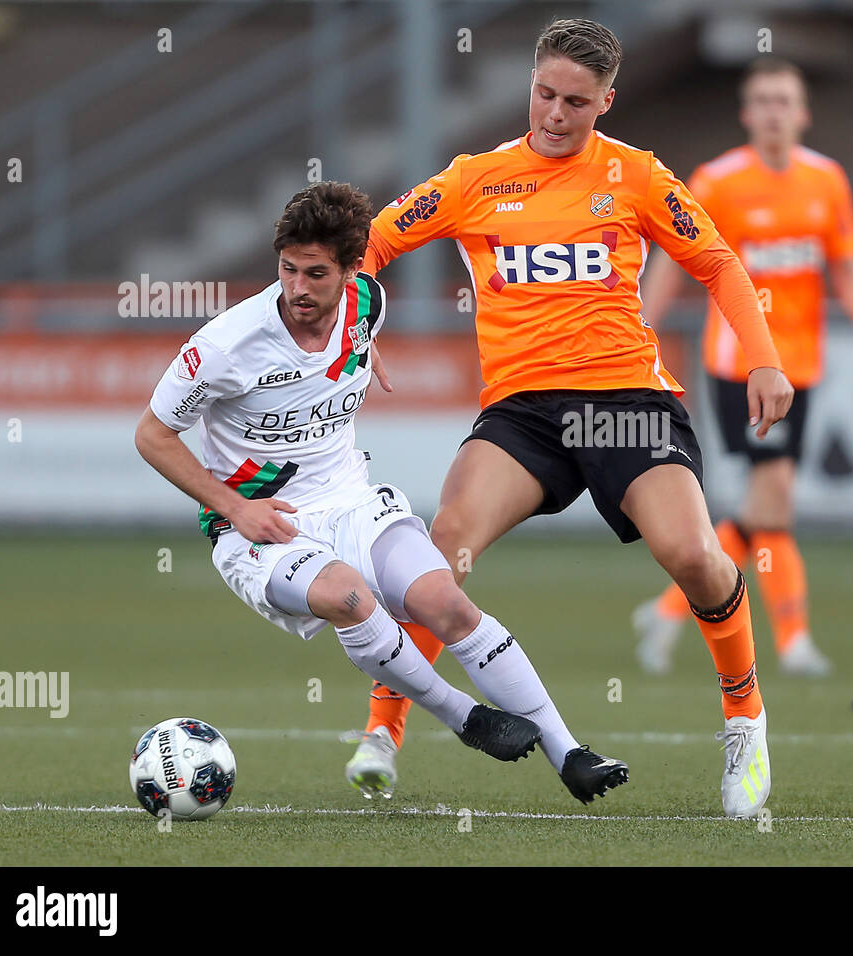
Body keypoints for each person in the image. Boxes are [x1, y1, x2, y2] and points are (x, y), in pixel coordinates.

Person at [352, 18, 794, 818]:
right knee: (443, 546)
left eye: (576, 102)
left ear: (606, 103)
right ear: (532, 85)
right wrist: (359, 326)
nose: (556, 113)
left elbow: (719, 260)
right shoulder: (473, 179)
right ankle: (385, 732)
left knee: (694, 554)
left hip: (627, 403)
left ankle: (745, 720)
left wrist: (762, 357)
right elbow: (370, 244)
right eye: (545, 94)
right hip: (523, 412)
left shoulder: (635, 175)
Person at [136, 181, 611, 807]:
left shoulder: (367, 301)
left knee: (447, 602)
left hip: (354, 503)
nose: (298, 289)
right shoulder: (224, 346)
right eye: (287, 270)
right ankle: (463, 716)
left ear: (351, 271)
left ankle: (570, 752)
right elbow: (152, 434)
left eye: (316, 274)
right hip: (264, 528)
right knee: (348, 597)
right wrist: (235, 508)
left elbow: (352, 328)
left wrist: (362, 350)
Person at [630, 56, 853, 677]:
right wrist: (642, 326)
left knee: (767, 505)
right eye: (763, 101)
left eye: (785, 101)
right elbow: (674, 257)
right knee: (773, 499)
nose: (774, 113)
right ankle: (795, 640)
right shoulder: (718, 181)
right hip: (739, 365)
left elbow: (847, 265)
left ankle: (668, 610)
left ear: (803, 112)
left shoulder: (827, 180)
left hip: (803, 366)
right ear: (747, 114)